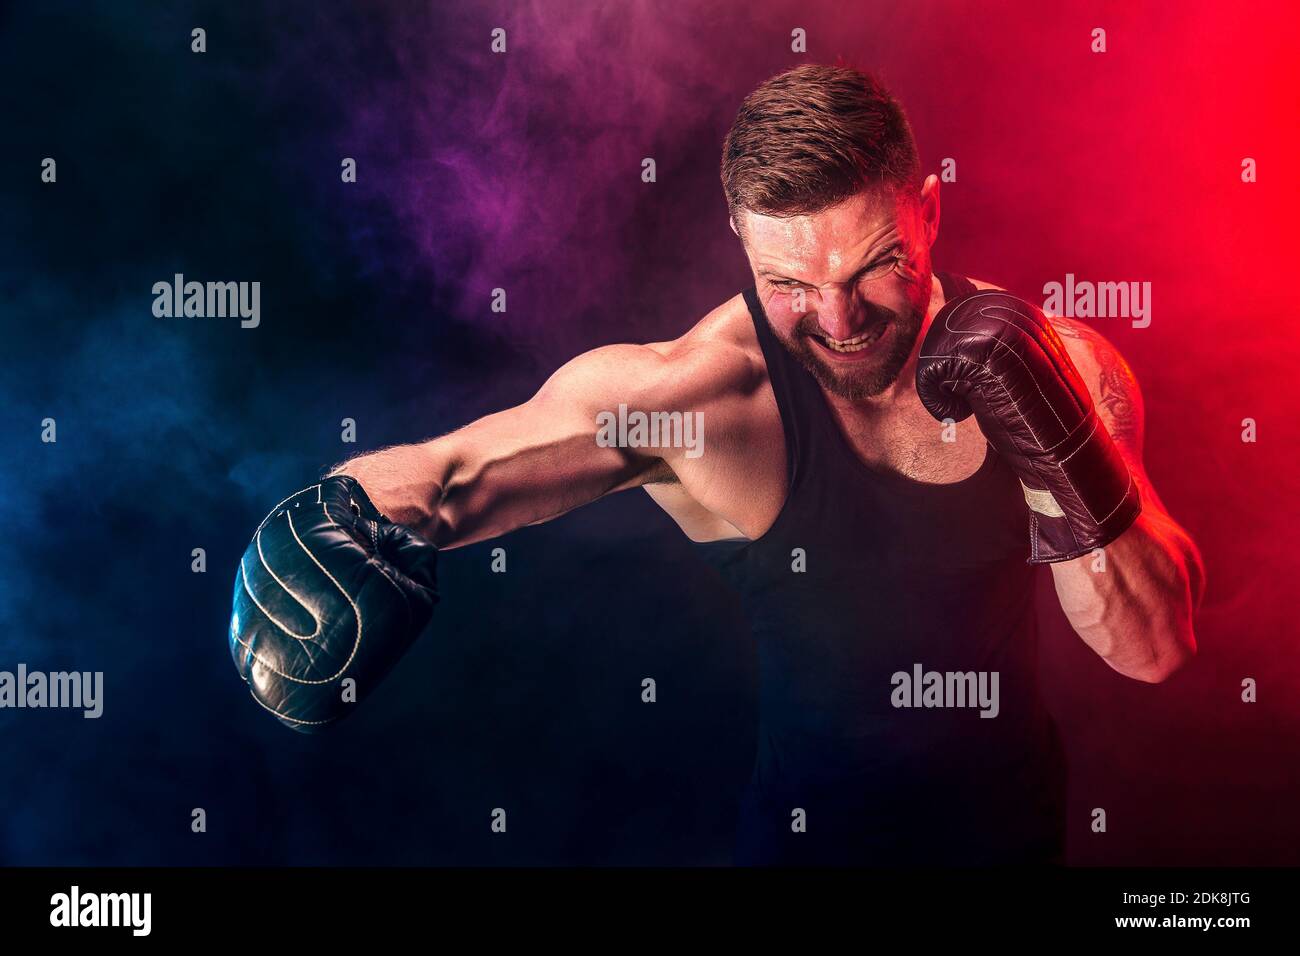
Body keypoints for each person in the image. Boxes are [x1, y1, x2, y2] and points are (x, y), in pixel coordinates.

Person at [229, 64, 1204, 865]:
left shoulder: (1064, 370)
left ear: (929, 210)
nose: (838, 320)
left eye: (871, 265)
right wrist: (343, 511)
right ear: (739, 239)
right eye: (789, 283)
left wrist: (1060, 434)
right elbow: (454, 473)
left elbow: (1150, 647)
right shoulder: (700, 400)